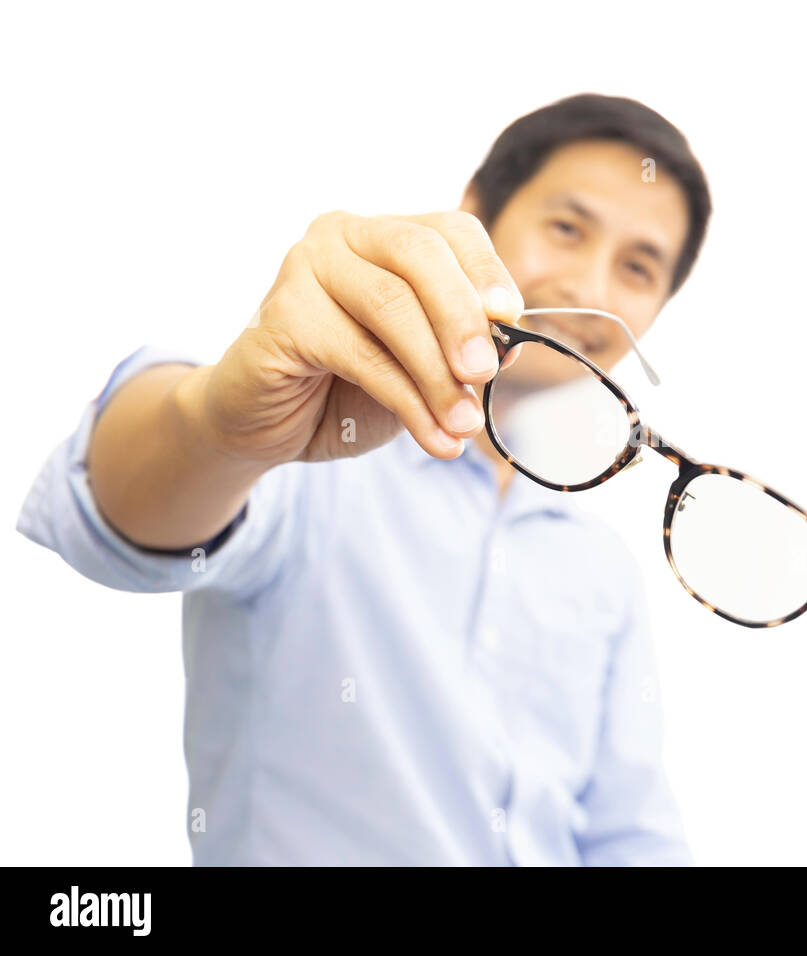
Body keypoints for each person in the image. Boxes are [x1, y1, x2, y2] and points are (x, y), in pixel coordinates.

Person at [16, 92, 712, 865]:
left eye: (637, 267)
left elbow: (629, 833)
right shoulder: (314, 459)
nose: (589, 286)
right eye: (566, 228)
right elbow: (116, 514)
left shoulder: (602, 567)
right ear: (477, 215)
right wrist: (222, 426)